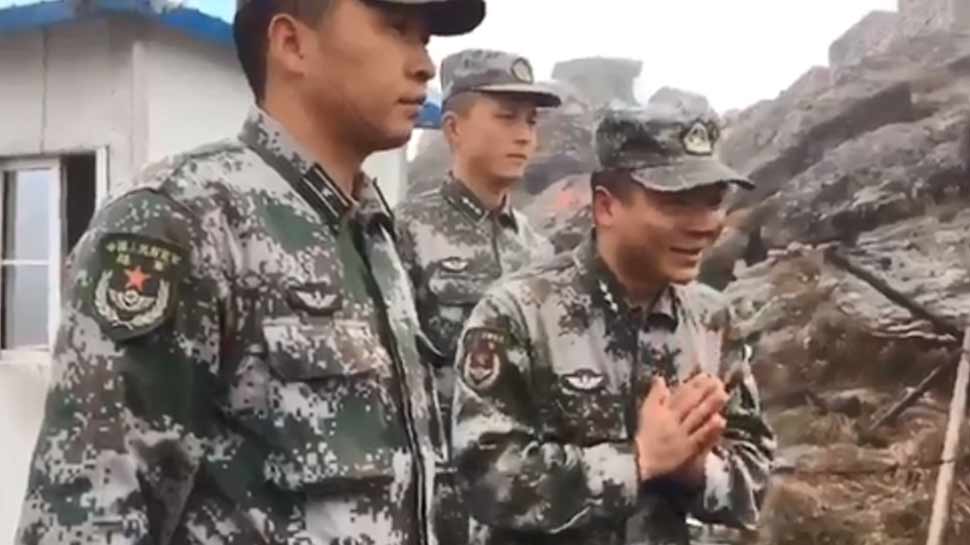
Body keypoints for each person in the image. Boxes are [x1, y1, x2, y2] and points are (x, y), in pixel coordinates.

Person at [15, 1, 485, 544]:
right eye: (397, 30)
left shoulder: (375, 232)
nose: (424, 65)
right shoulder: (181, 222)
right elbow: (87, 521)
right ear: (292, 44)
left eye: (424, 39)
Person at [450, 91, 777, 545]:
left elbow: (756, 475)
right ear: (606, 206)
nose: (705, 224)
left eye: (714, 200)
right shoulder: (519, 312)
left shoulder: (711, 318)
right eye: (678, 202)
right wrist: (638, 460)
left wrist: (696, 469)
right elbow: (484, 480)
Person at [394, 48, 560, 545]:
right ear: (454, 129)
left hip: (521, 500)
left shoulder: (539, 250)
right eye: (506, 117)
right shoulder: (404, 232)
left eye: (531, 121)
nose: (524, 135)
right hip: (439, 500)